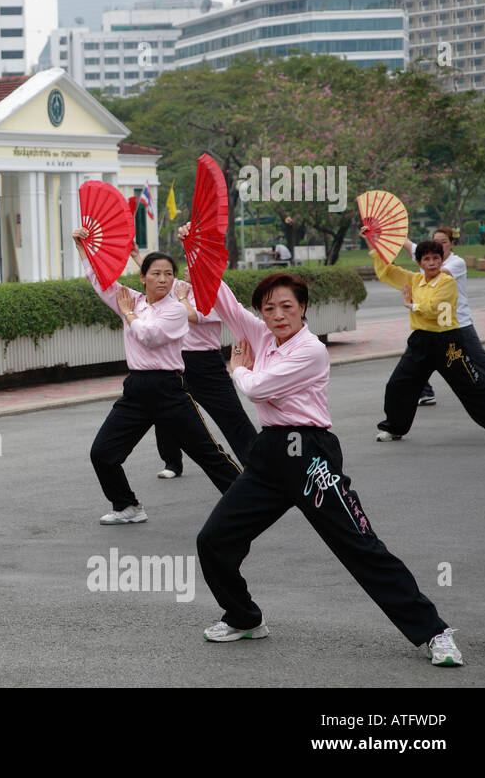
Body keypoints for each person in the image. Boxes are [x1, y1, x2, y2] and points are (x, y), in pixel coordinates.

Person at [193, 264, 462, 666]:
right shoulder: (259, 334)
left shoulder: (310, 351)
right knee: (213, 540)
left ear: (303, 308)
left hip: (311, 456)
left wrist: (238, 369)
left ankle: (434, 632)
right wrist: (196, 254)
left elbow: (257, 388)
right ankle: (244, 617)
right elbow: (222, 300)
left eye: (287, 306)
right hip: (269, 454)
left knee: (359, 545)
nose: (278, 315)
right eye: (269, 308)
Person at [72, 230, 240, 525]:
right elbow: (100, 281)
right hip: (136, 390)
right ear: (143, 277)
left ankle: (249, 500)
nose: (163, 279)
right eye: (156, 273)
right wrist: (83, 247)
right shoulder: (131, 300)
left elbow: (149, 337)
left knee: (209, 455)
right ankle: (127, 506)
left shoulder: (175, 310)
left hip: (169, 389)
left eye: (169, 274)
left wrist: (130, 316)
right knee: (102, 453)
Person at [371, 240, 485, 442]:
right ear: (419, 262)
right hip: (421, 341)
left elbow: (435, 308)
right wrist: (374, 244)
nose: (432, 263)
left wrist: (411, 305)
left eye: (436, 258)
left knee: (471, 387)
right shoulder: (414, 280)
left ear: (441, 260)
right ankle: (394, 428)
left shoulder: (447, 281)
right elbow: (387, 272)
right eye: (426, 259)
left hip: (448, 342)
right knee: (398, 385)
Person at [150, 268, 258, 481]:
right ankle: (172, 462)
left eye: (194, 267)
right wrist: (136, 255)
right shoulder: (179, 287)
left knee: (231, 415)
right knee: (165, 412)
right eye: (188, 266)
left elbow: (192, 315)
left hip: (206, 364)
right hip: (177, 360)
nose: (188, 272)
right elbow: (156, 274)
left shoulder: (212, 295)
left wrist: (181, 298)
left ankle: (257, 462)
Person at [404, 228, 485, 432]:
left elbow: (437, 272)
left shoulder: (456, 263)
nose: (439, 245)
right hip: (431, 328)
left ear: (452, 243)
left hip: (459, 325)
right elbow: (406, 242)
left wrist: (414, 303)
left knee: (480, 364)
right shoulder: (428, 257)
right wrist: (377, 234)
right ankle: (425, 392)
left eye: (444, 242)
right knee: (415, 362)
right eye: (435, 242)